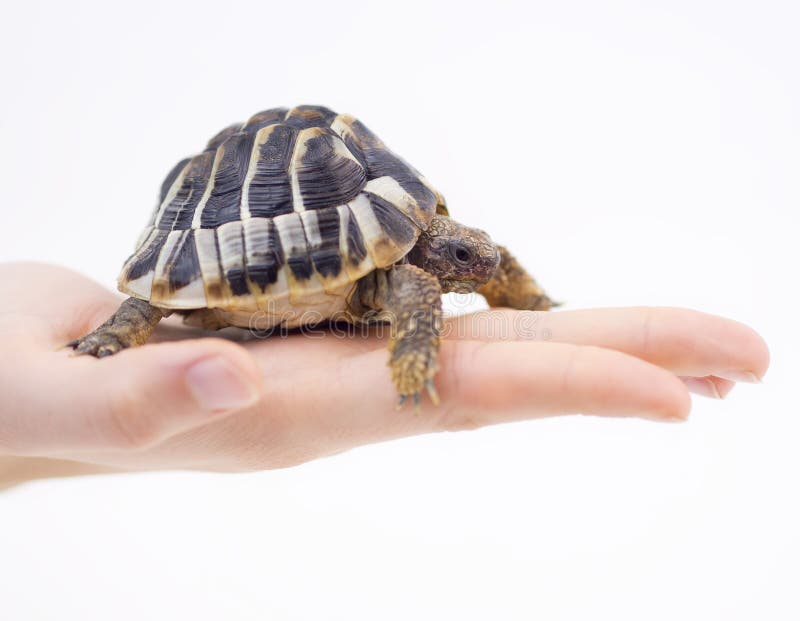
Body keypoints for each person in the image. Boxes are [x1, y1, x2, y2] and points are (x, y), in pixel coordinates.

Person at [0, 262, 769, 490]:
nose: (472, 268)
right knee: (153, 306)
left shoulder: (431, 259)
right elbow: (417, 287)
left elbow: (482, 258)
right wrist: (415, 355)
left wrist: (521, 299)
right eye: (460, 258)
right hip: (223, 276)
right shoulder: (405, 278)